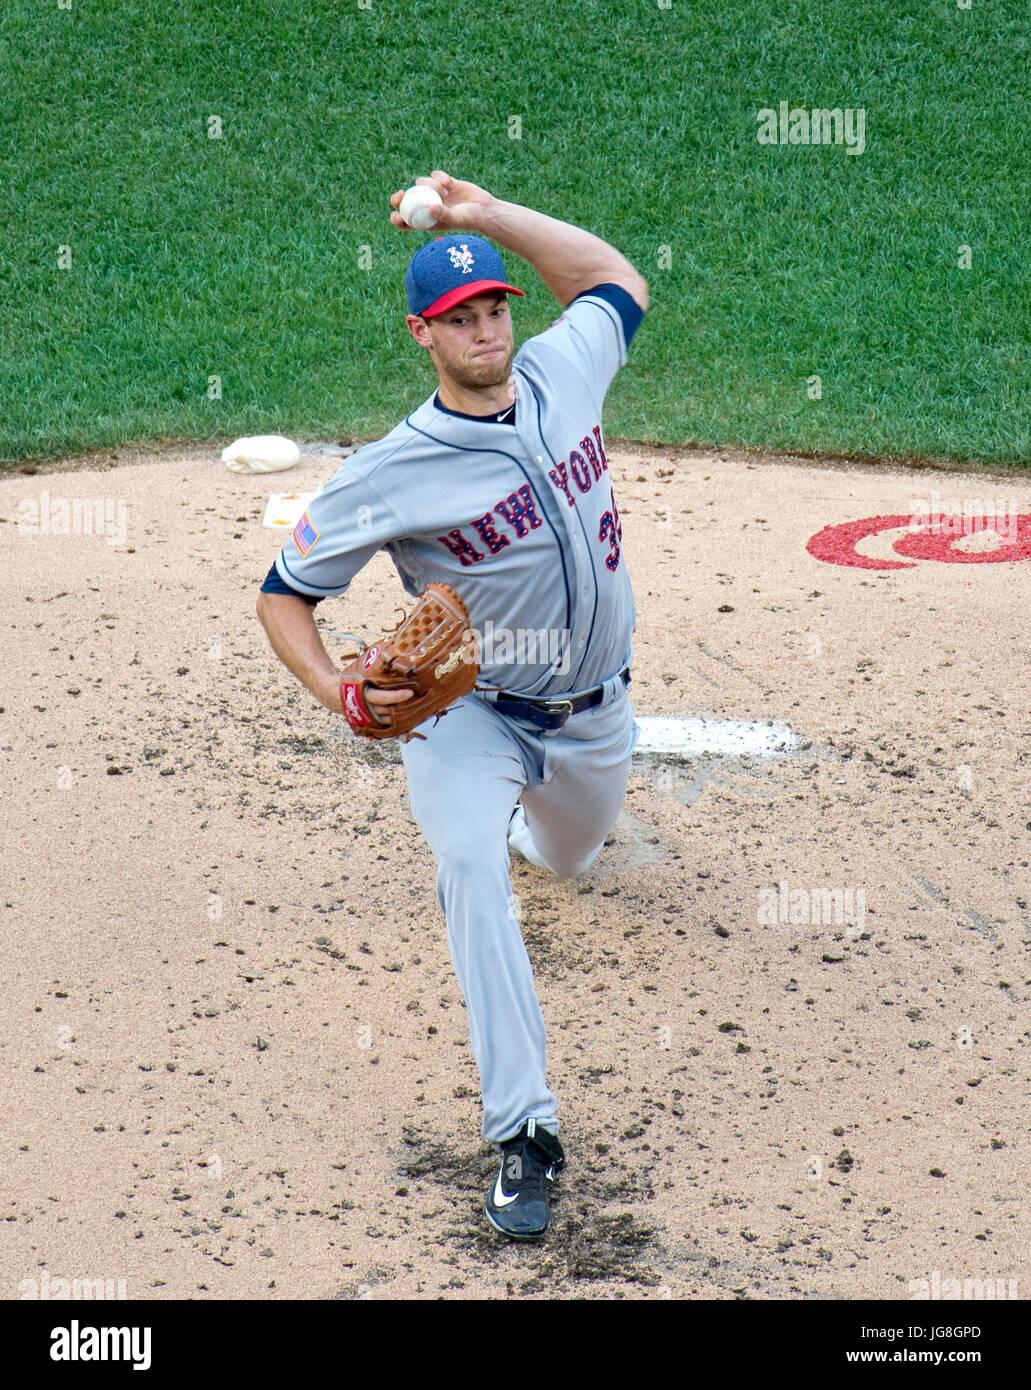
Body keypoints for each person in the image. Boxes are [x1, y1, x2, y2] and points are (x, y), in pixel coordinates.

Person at [256, 169, 648, 1240]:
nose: (482, 330)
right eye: (456, 320)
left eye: (492, 309)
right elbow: (282, 595)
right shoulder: (388, 471)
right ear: (420, 336)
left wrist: (483, 218)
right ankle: (525, 1132)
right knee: (468, 864)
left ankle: (538, 829)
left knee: (563, 858)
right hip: (468, 716)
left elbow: (613, 280)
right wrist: (340, 687)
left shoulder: (560, 370)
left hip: (593, 719)